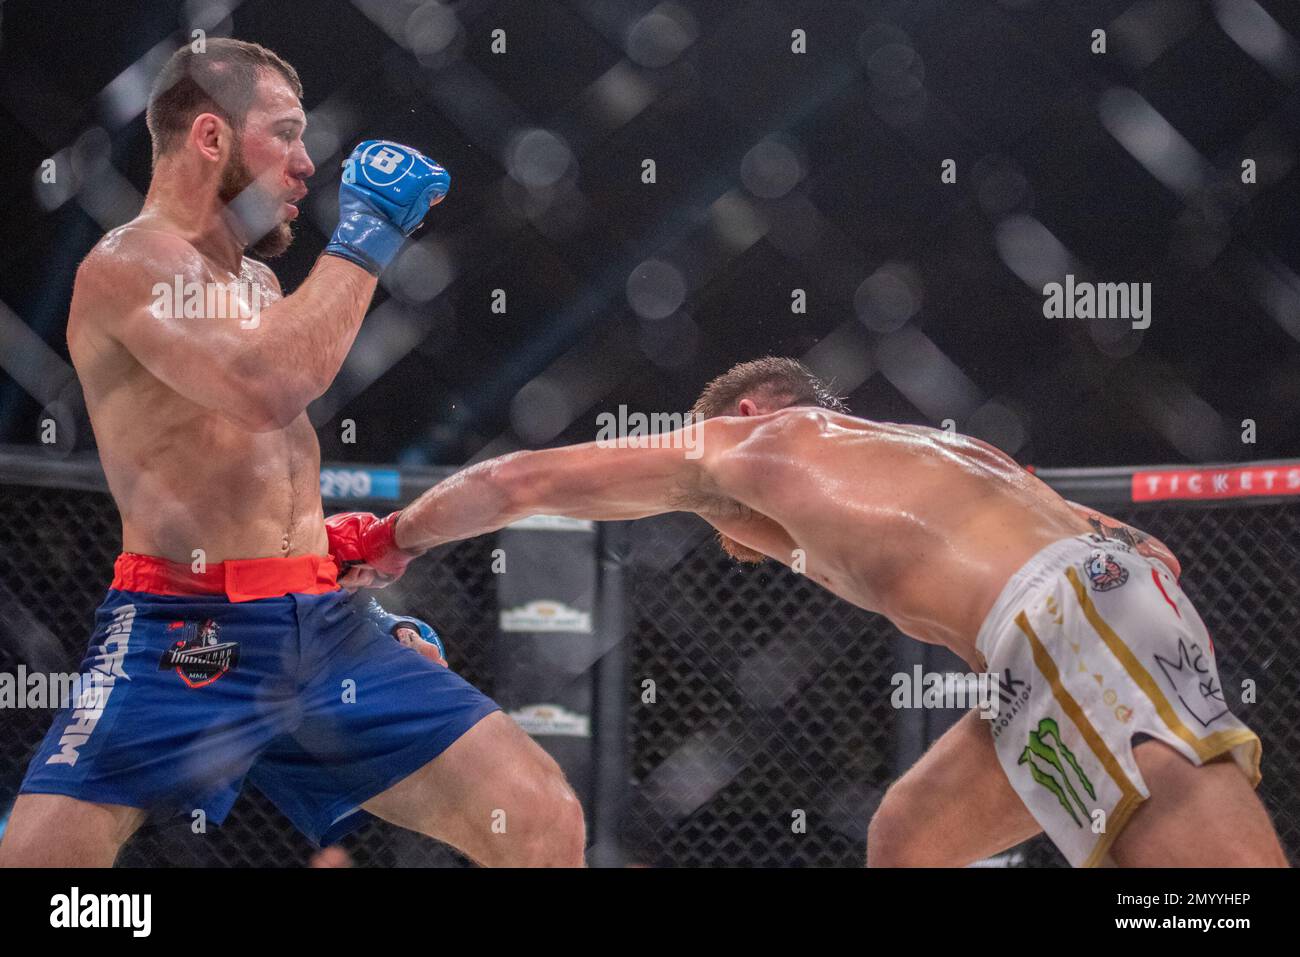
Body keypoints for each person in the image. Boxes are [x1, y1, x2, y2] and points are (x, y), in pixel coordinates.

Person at [0, 39, 583, 868]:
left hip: (325, 626)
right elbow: (266, 385)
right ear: (210, 138)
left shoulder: (259, 284)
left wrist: (310, 540)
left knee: (541, 818)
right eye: (285, 132)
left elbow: (262, 445)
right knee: (43, 871)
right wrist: (371, 234)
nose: (310, 163)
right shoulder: (128, 265)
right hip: (185, 632)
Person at [343, 356, 1286, 867]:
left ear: (751, 406)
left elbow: (519, 479)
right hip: (1073, 623)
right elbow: (1144, 550)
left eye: (728, 528)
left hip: (1062, 623)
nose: (737, 540)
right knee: (911, 836)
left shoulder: (753, 443)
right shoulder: (950, 453)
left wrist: (398, 539)